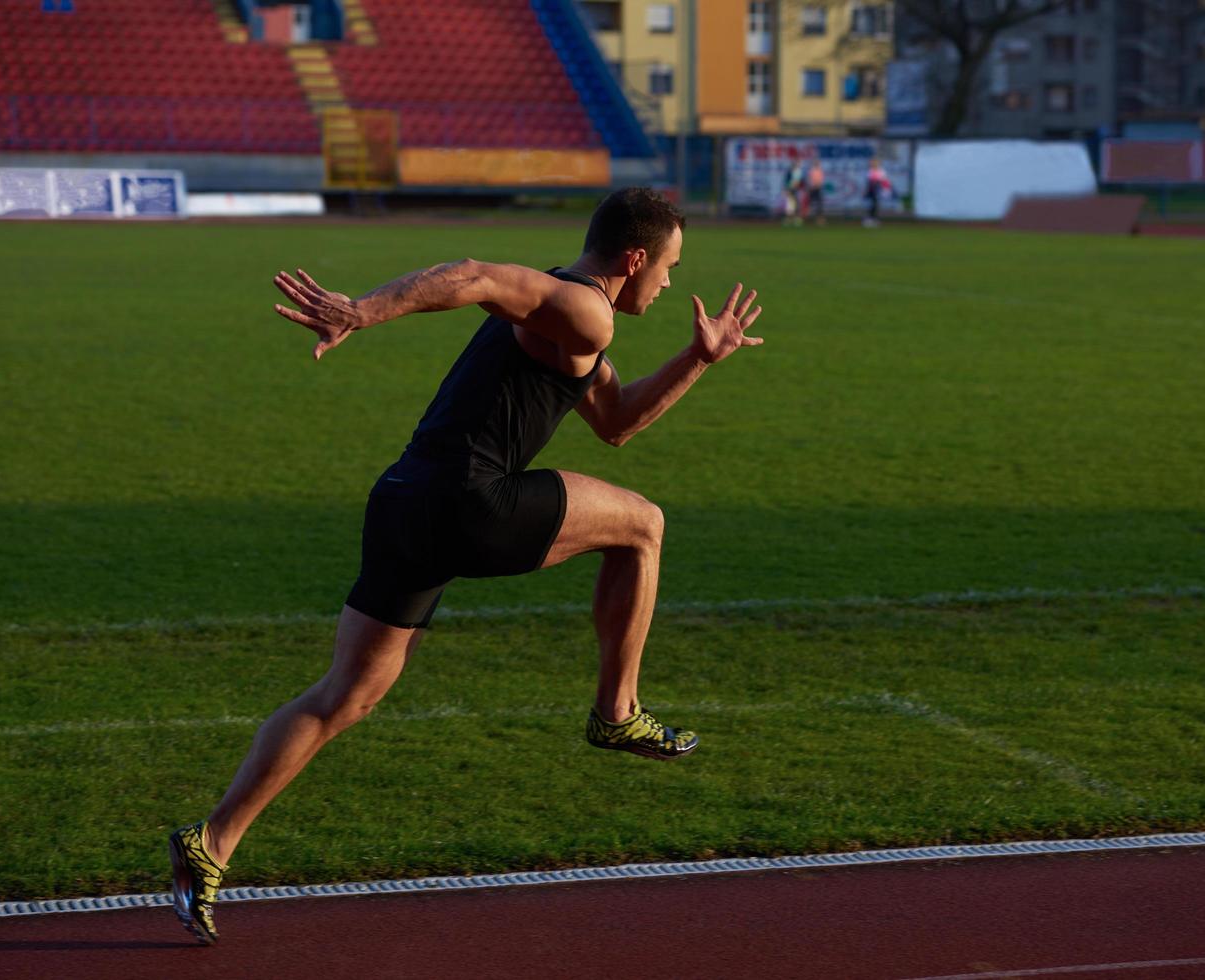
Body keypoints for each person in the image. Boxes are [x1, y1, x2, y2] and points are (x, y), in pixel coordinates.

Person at [167, 187, 765, 945]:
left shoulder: (573, 324)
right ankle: (616, 714)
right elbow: (475, 274)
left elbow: (615, 424)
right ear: (635, 257)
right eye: (670, 268)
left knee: (344, 697)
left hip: (404, 502)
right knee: (643, 525)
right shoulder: (583, 309)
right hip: (469, 503)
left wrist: (697, 359)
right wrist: (362, 310)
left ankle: (211, 843)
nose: (671, 284)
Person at [863, 158, 893, 228]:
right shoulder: (870, 171)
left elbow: (885, 181)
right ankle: (870, 219)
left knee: (875, 204)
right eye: (872, 162)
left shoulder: (881, 171)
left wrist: (886, 190)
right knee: (871, 204)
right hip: (871, 189)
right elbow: (869, 182)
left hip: (878, 189)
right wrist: (867, 190)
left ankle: (873, 219)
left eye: (875, 162)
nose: (873, 164)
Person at [805, 155, 826, 225]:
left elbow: (821, 180)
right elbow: (810, 180)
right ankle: (807, 219)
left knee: (819, 205)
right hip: (813, 189)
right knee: (810, 204)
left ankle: (819, 219)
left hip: (818, 189)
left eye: (817, 162)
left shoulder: (820, 171)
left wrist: (818, 185)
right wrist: (813, 186)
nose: (817, 163)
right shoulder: (811, 171)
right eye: (815, 162)